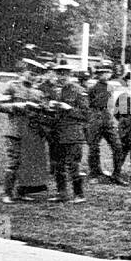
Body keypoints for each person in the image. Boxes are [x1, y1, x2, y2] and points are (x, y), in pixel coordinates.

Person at [0, 66, 46, 202]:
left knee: (27, 163)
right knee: (14, 162)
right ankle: (7, 193)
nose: (31, 77)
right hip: (15, 131)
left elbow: (43, 111)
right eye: (30, 73)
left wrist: (41, 109)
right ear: (23, 73)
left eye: (35, 74)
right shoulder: (12, 87)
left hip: (32, 132)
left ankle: (22, 192)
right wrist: (20, 105)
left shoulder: (38, 92)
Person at [40, 63, 89, 203]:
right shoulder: (54, 91)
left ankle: (79, 194)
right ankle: (62, 193)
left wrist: (68, 108)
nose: (61, 77)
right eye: (58, 74)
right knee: (57, 165)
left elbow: (85, 115)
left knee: (74, 165)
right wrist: (48, 106)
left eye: (64, 74)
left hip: (72, 134)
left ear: (70, 75)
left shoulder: (79, 91)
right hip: (56, 133)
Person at [85, 64, 123, 184]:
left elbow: (112, 104)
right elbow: (88, 105)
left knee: (117, 146)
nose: (105, 75)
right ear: (99, 75)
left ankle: (117, 174)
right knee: (94, 147)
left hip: (107, 117)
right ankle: (94, 173)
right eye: (102, 73)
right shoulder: (92, 88)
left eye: (107, 73)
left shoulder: (111, 88)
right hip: (96, 117)